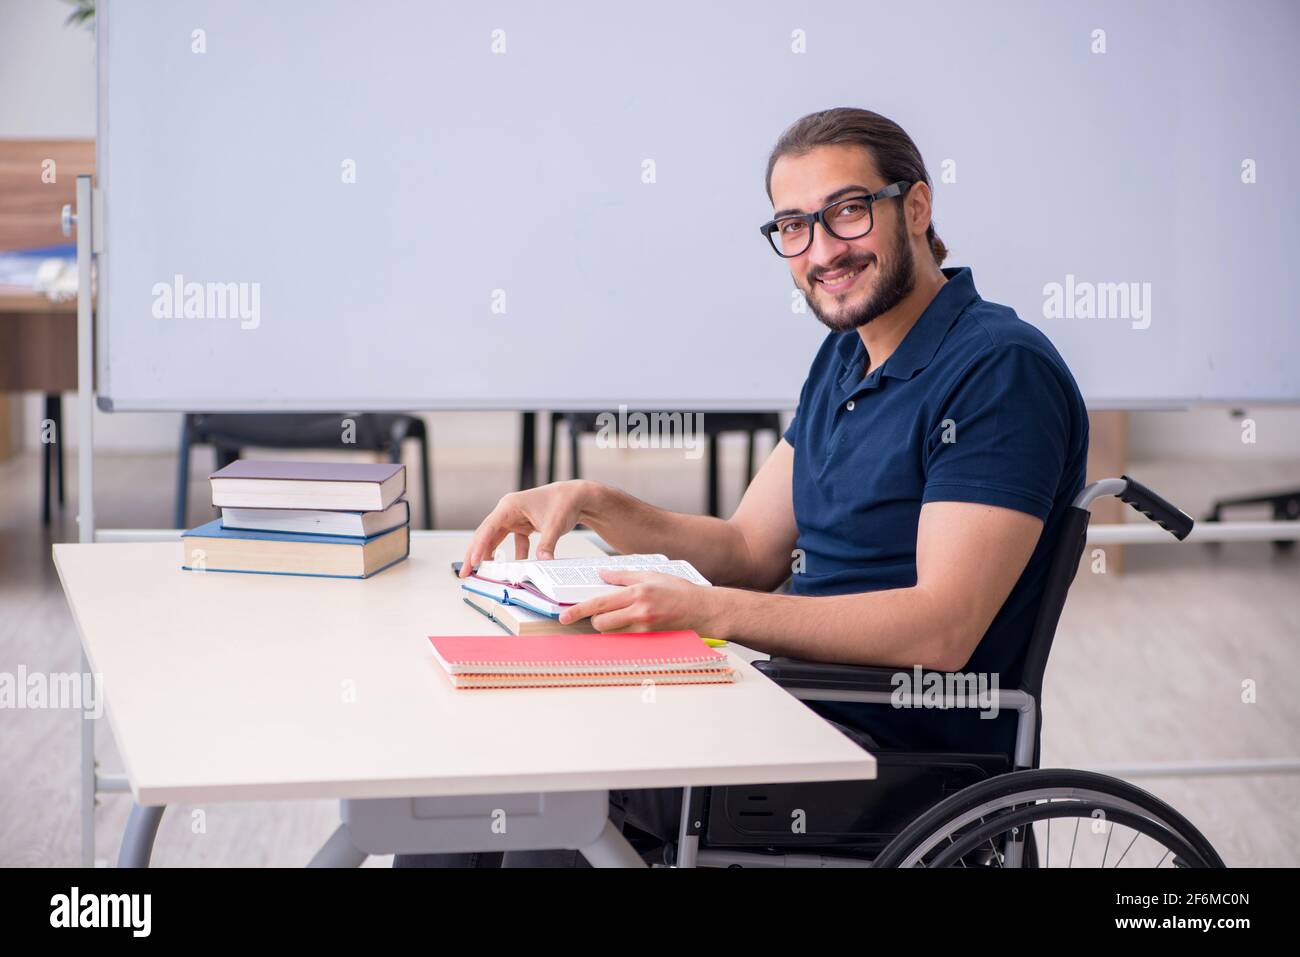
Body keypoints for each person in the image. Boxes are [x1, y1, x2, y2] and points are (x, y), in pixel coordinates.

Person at [397, 107, 1088, 868]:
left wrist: (707, 613)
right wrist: (595, 501)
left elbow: (940, 630)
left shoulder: (998, 370)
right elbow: (749, 549)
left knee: (552, 795)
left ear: (916, 207)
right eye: (794, 226)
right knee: (465, 780)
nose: (821, 250)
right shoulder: (846, 358)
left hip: (892, 757)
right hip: (790, 705)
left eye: (846, 212)